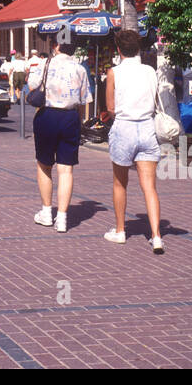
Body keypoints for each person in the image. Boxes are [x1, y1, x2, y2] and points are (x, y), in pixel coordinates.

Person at [103, 30, 164, 252]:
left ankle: (120, 231)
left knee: (120, 182)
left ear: (119, 50)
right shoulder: (150, 71)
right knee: (149, 186)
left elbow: (110, 108)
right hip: (147, 127)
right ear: (138, 48)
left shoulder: (114, 73)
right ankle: (156, 235)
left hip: (125, 127)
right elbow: (156, 99)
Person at [26, 41, 92, 233]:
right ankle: (62, 218)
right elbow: (84, 99)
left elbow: (31, 86)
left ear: (56, 46)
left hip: (47, 115)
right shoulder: (80, 69)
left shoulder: (43, 64)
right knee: (66, 170)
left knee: (44, 165)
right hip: (70, 117)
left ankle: (47, 212)